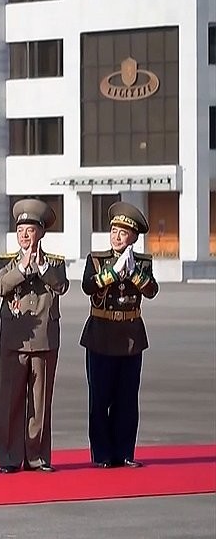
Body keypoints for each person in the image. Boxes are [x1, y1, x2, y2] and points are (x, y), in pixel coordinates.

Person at [0, 199, 69, 474]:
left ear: (41, 232)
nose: (24, 235)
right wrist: (23, 268)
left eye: (30, 229)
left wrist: (41, 267)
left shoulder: (54, 264)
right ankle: (10, 457)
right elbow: (0, 286)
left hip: (44, 339)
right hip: (15, 339)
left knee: (40, 402)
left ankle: (36, 456)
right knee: (10, 400)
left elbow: (61, 285)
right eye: (20, 229)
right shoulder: (6, 262)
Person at [81, 201, 158, 469]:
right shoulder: (96, 260)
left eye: (123, 233)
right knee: (100, 398)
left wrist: (134, 273)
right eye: (114, 230)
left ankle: (125, 451)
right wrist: (112, 274)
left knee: (127, 399)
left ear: (133, 238)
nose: (116, 236)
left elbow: (151, 291)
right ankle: (102, 453)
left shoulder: (143, 263)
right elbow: (88, 286)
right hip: (101, 335)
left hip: (130, 336)